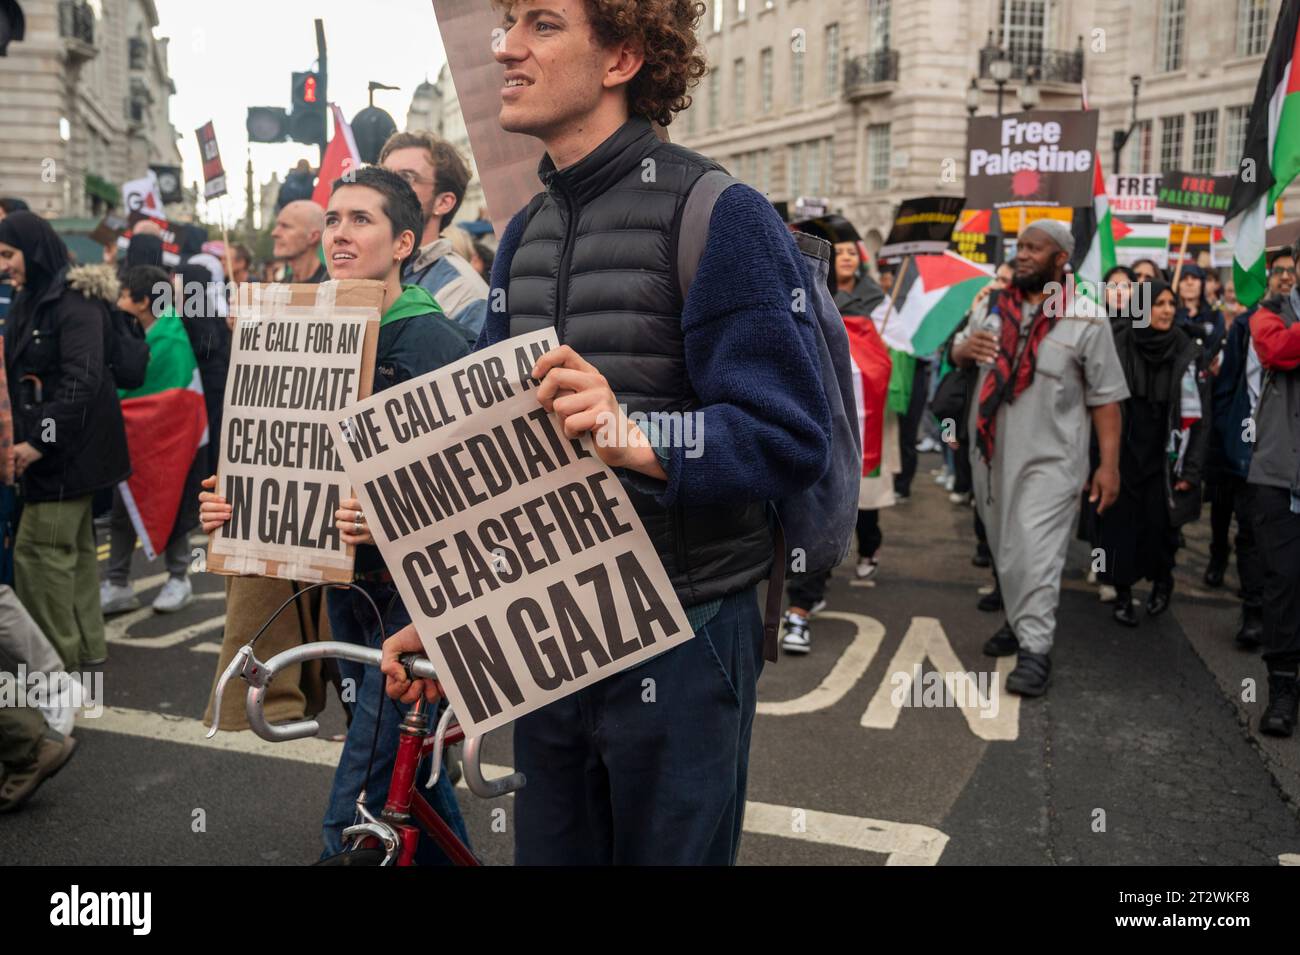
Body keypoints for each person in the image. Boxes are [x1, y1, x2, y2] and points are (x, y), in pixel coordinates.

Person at [380, 0, 831, 865]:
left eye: (541, 25)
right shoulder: (524, 235)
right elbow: (495, 452)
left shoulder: (720, 212)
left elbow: (789, 435)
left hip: (689, 633)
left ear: (623, 56)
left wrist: (639, 435)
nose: (505, 47)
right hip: (555, 634)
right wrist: (442, 615)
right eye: (507, 22)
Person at [199, 165, 473, 863]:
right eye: (333, 219)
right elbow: (281, 452)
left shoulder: (430, 343)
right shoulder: (309, 327)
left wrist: (390, 517)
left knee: (356, 806)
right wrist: (238, 503)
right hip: (348, 596)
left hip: (413, 608)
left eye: (361, 219)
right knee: (406, 783)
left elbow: (471, 487)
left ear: (405, 242)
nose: (340, 233)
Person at [951, 220, 1127, 696]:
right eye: (1020, 246)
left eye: (1035, 248)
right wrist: (964, 349)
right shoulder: (993, 306)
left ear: (1060, 259)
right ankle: (1016, 619)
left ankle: (1035, 650)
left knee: (1035, 549)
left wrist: (1108, 466)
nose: (1023, 254)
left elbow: (1107, 400)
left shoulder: (1087, 316)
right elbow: (959, 352)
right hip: (991, 456)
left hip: (1052, 461)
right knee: (1004, 543)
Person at [0, 211, 129, 669]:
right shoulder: (37, 295)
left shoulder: (72, 301)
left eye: (8, 254)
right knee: (70, 553)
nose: (4, 265)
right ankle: (85, 649)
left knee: (39, 552)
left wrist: (36, 443)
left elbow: (82, 379)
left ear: (33, 251)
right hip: (73, 451)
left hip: (67, 453)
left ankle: (58, 660)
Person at [781, 226, 889, 654]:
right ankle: (803, 595)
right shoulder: (779, 291)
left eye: (849, 252)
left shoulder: (871, 303)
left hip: (850, 418)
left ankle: (803, 604)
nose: (844, 259)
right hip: (795, 426)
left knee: (843, 504)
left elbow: (884, 360)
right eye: (837, 252)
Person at [1100, 280, 1209, 626]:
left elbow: (1200, 418)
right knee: (1119, 528)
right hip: (1123, 451)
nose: (1165, 310)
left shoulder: (1187, 350)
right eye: (1157, 303)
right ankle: (1122, 593)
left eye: (1169, 303)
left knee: (1160, 529)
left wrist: (1191, 470)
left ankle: (1163, 581)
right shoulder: (1119, 342)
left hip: (1165, 459)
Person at [100, 264, 202, 615]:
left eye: (123, 295)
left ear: (143, 302)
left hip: (170, 443)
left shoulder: (171, 338)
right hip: (132, 439)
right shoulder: (130, 330)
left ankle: (179, 578)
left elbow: (174, 401)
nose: (117, 301)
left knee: (170, 506)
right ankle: (117, 582)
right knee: (122, 509)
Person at [1203, 251, 1293, 647]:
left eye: (1292, 271)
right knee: (1252, 530)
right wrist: (1225, 432)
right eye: (1282, 271)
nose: (1287, 278)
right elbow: (1227, 385)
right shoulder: (1249, 323)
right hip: (1250, 441)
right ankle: (1253, 610)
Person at [1246, 238, 1300, 737]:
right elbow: (1280, 351)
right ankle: (1282, 688)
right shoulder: (1269, 315)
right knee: (1282, 582)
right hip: (1279, 478)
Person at [378, 131, 489, 338]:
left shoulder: (465, 294)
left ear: (443, 202)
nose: (383, 188)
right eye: (382, 175)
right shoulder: (368, 267)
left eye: (405, 177)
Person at [1174, 263, 1225, 368]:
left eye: (1194, 278)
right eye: (1184, 278)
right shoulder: (1170, 314)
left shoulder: (1214, 315)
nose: (1189, 282)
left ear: (1202, 283)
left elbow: (1216, 345)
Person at [271, 200, 327, 284]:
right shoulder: (281, 288)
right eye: (277, 225)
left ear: (313, 236)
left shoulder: (332, 287)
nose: (274, 233)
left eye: (285, 226)